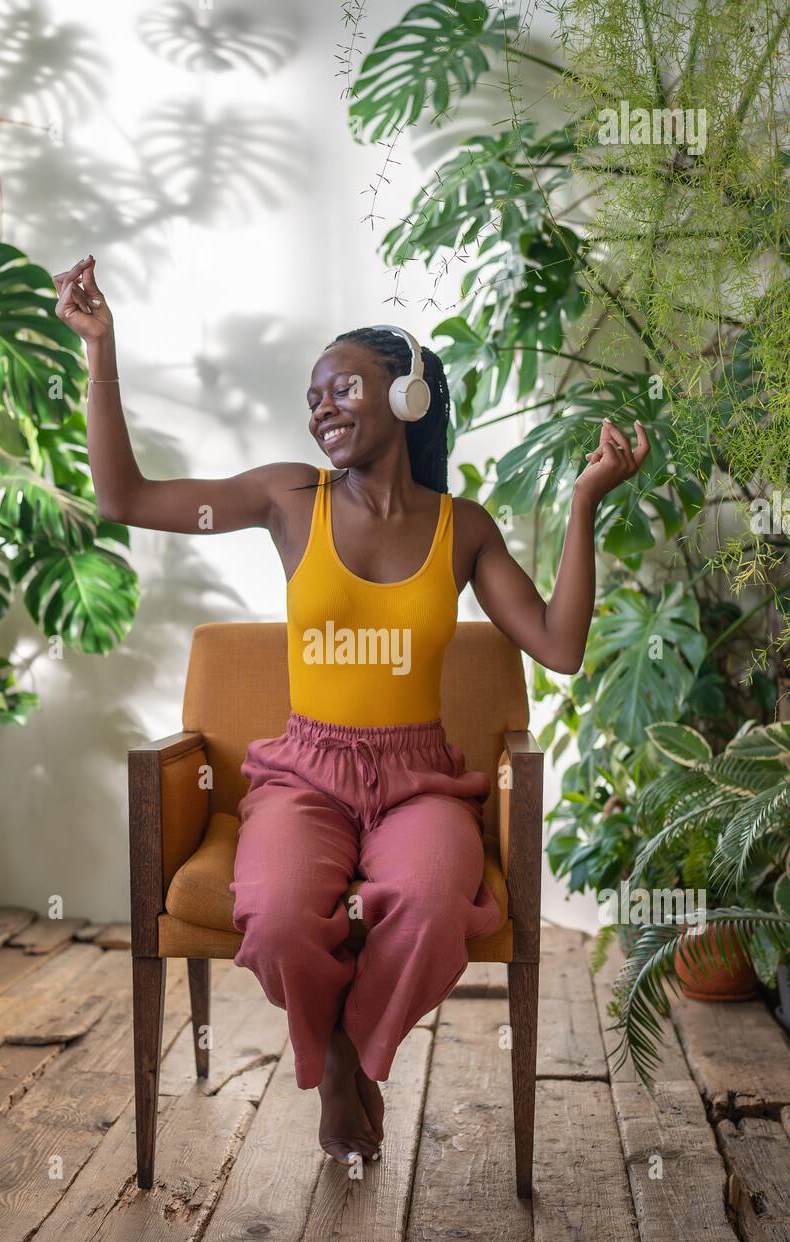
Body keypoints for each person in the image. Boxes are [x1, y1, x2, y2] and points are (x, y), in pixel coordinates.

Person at [52, 253, 649, 1176]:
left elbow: (560, 647)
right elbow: (123, 498)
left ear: (408, 397)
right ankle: (337, 1059)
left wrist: (583, 502)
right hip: (306, 775)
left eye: (343, 388)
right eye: (312, 395)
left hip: (421, 784)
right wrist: (102, 346)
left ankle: (353, 1048)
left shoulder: (465, 527)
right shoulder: (290, 498)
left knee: (435, 898)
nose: (320, 407)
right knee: (279, 910)